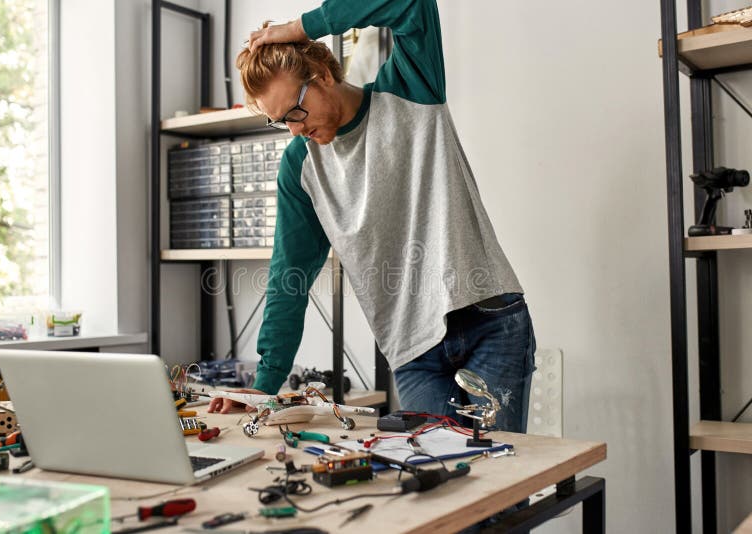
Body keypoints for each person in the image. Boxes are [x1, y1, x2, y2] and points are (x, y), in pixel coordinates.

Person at [208, 0, 536, 434]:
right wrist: (264, 389)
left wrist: (304, 26)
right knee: (440, 489)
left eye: (294, 111)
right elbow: (290, 275)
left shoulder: (410, 85)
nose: (293, 128)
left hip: (488, 321)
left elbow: (411, 4)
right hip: (413, 352)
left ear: (322, 75)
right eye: (279, 121)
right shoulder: (300, 166)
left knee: (500, 486)